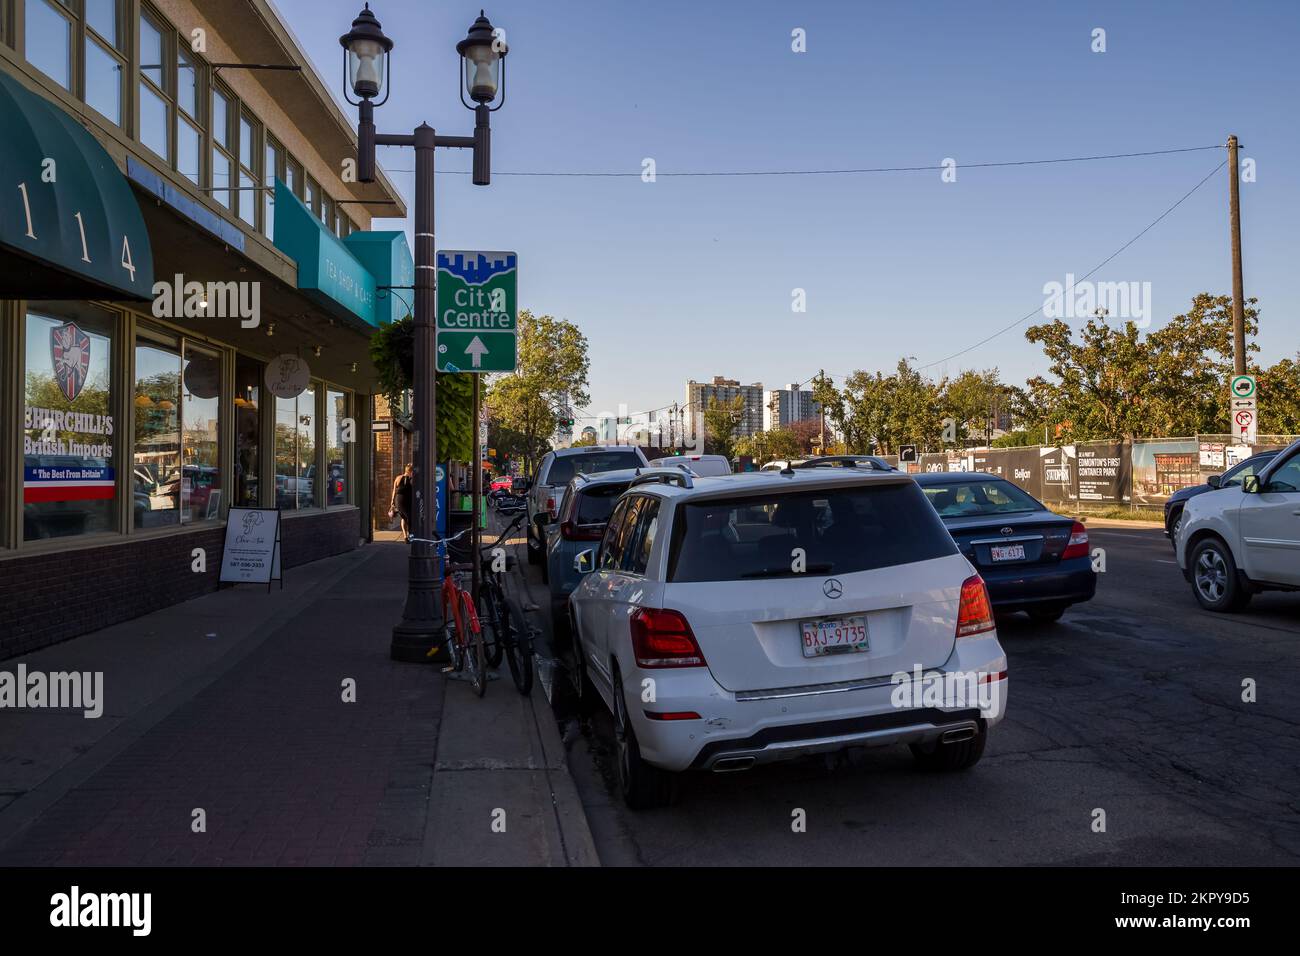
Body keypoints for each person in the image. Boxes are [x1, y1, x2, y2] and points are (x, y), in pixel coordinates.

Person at [389, 463, 413, 541]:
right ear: (411, 471)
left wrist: (392, 501)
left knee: (404, 517)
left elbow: (394, 490)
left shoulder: (398, 478)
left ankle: (405, 536)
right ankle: (410, 535)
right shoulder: (411, 479)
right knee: (409, 517)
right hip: (407, 500)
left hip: (399, 500)